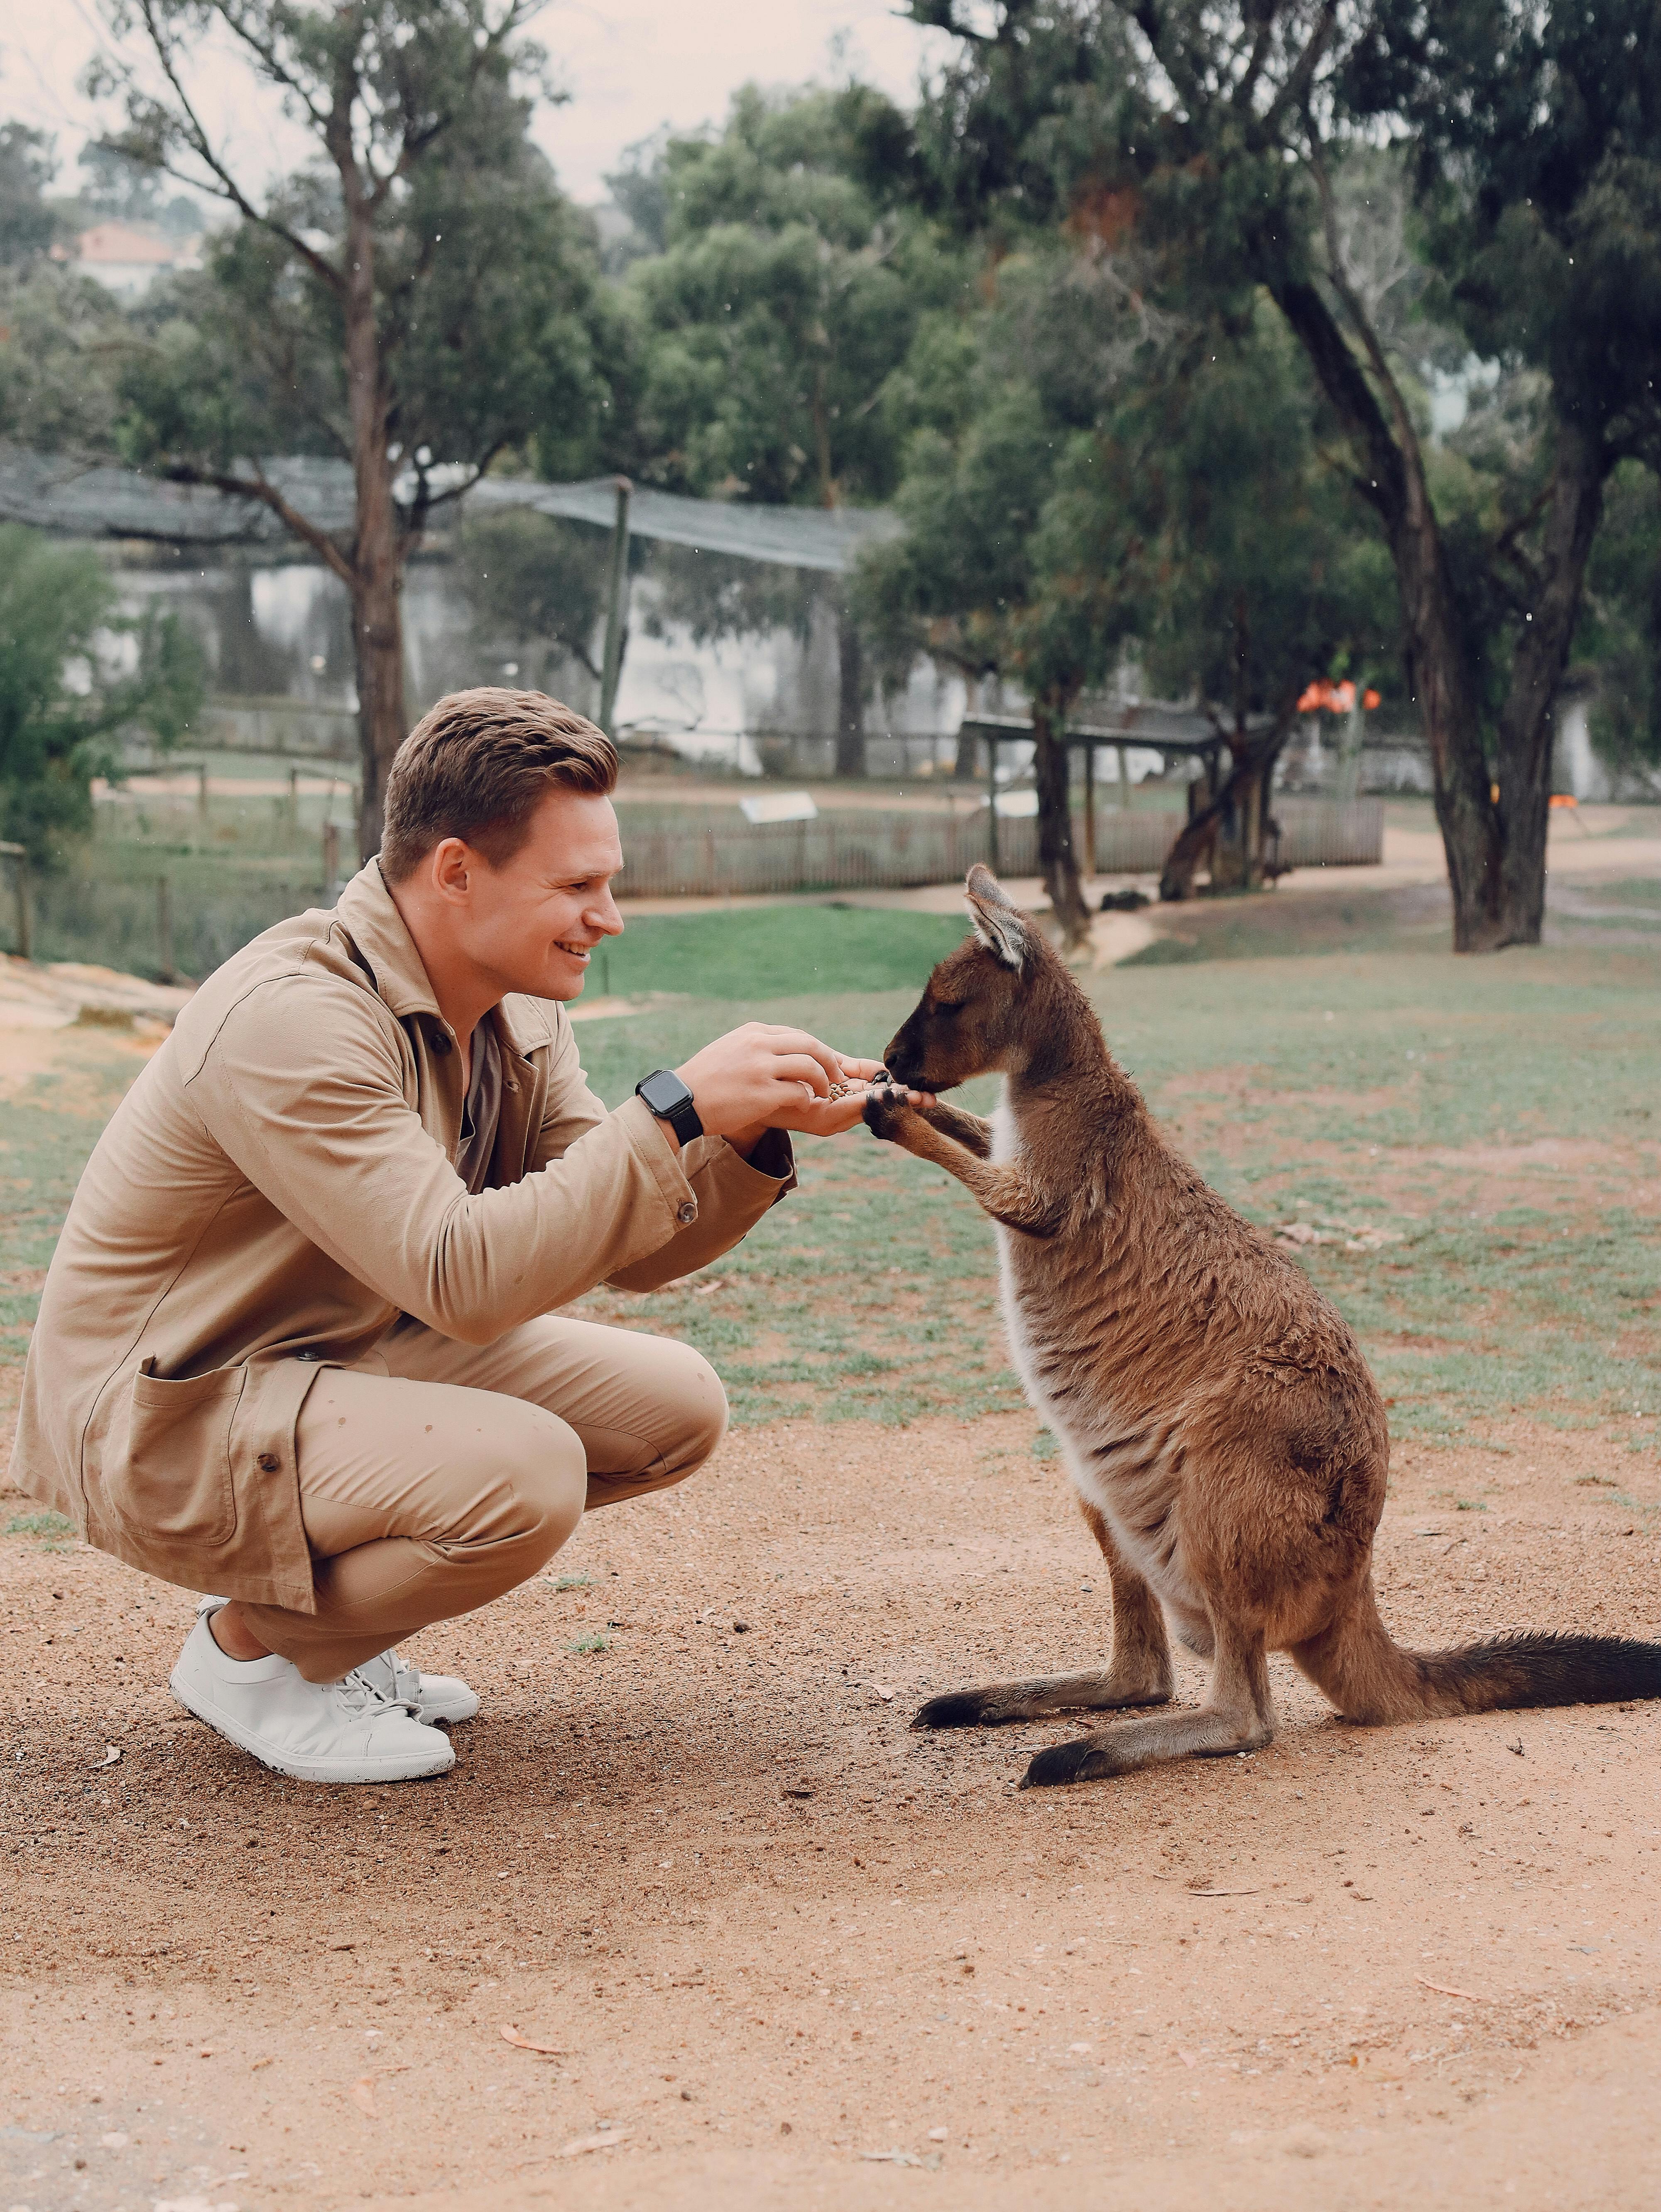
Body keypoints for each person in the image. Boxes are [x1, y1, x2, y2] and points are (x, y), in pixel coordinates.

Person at [12, 688, 903, 1784]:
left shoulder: (516, 1008)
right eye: (576, 887)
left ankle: (322, 1643)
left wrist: (745, 1137)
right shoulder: (295, 1017)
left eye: (606, 882)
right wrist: (673, 1108)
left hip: (322, 1350)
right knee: (524, 1474)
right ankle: (248, 1656)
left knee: (674, 1410)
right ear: (454, 873)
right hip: (167, 1408)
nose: (608, 915)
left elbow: (628, 1249)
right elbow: (461, 1278)